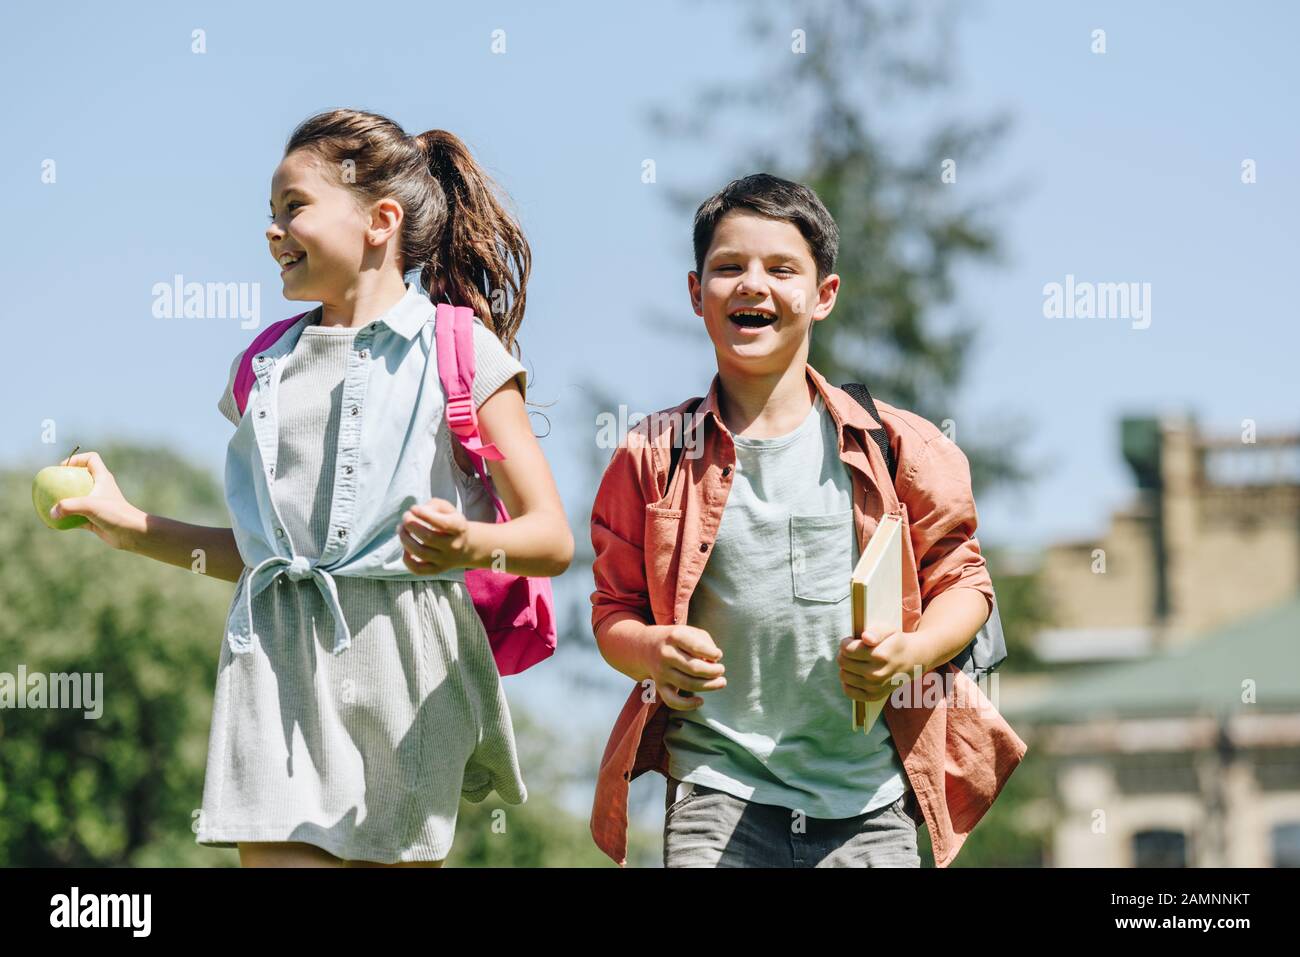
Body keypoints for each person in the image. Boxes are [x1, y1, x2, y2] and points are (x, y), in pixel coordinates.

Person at [48, 108, 573, 867]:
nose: (273, 230)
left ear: (379, 220)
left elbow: (550, 539)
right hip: (274, 666)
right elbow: (270, 557)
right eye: (270, 213)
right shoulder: (263, 370)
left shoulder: (461, 351)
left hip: (407, 676)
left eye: (294, 206)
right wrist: (129, 523)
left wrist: (473, 542)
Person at [587, 173, 1026, 868]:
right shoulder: (654, 454)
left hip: (870, 800)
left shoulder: (900, 444)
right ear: (695, 292)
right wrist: (650, 651)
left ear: (823, 295)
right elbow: (613, 611)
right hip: (715, 787)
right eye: (728, 267)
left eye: (781, 268)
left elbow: (967, 583)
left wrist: (910, 654)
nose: (752, 285)